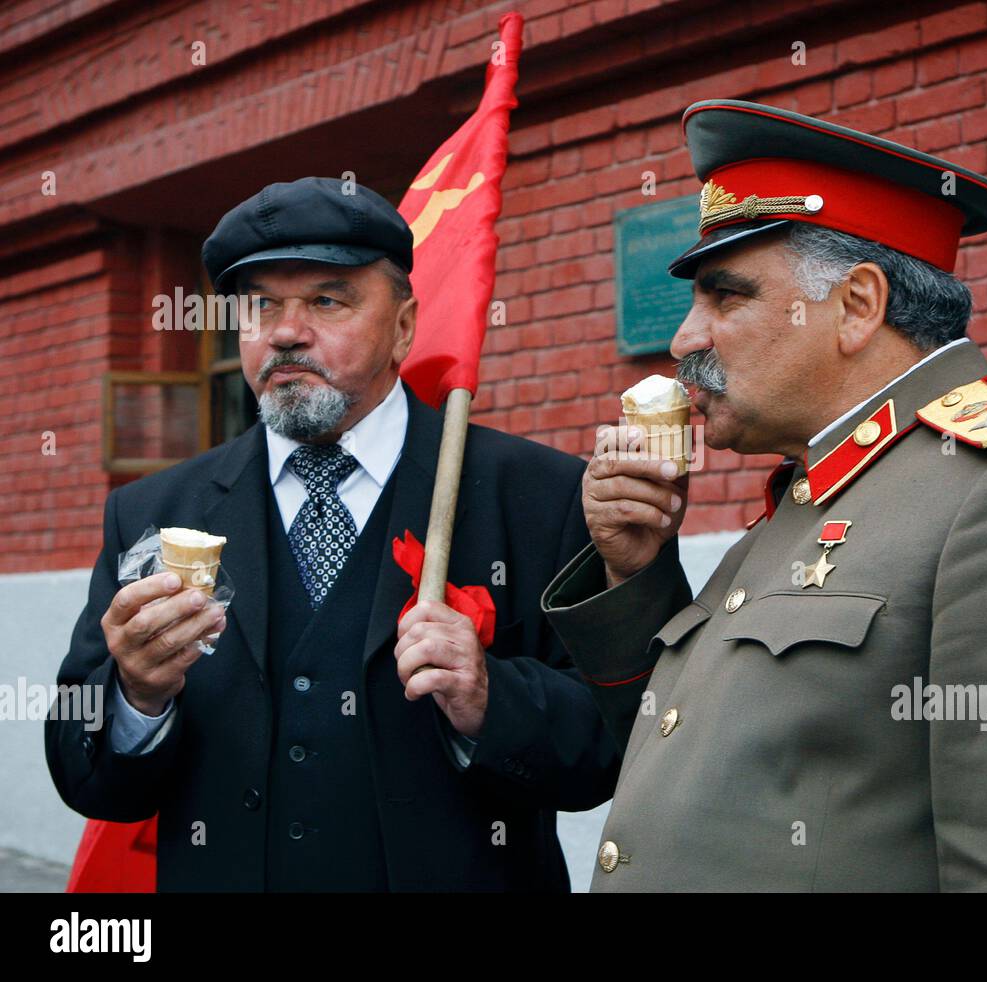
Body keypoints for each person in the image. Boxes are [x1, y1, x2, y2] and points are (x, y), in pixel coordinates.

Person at [541, 100, 987, 891]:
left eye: (726, 297)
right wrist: (633, 573)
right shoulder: (812, 489)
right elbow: (683, 750)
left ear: (856, 307)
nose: (684, 340)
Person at [46, 177, 618, 891]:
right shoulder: (153, 512)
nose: (285, 330)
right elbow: (84, 773)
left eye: (326, 299)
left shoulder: (538, 493)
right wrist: (136, 696)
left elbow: (607, 744)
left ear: (404, 327)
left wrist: (490, 700)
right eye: (259, 306)